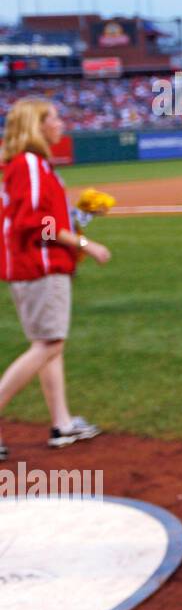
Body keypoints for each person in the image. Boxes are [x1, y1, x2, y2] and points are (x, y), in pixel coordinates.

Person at [0, 98, 111, 462]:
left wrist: (77, 217)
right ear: (37, 125)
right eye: (54, 118)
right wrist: (83, 242)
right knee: (48, 344)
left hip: (37, 264)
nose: (60, 123)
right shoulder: (31, 163)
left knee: (49, 345)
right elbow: (32, 221)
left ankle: (62, 423)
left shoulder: (31, 164)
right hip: (40, 266)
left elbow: (42, 218)